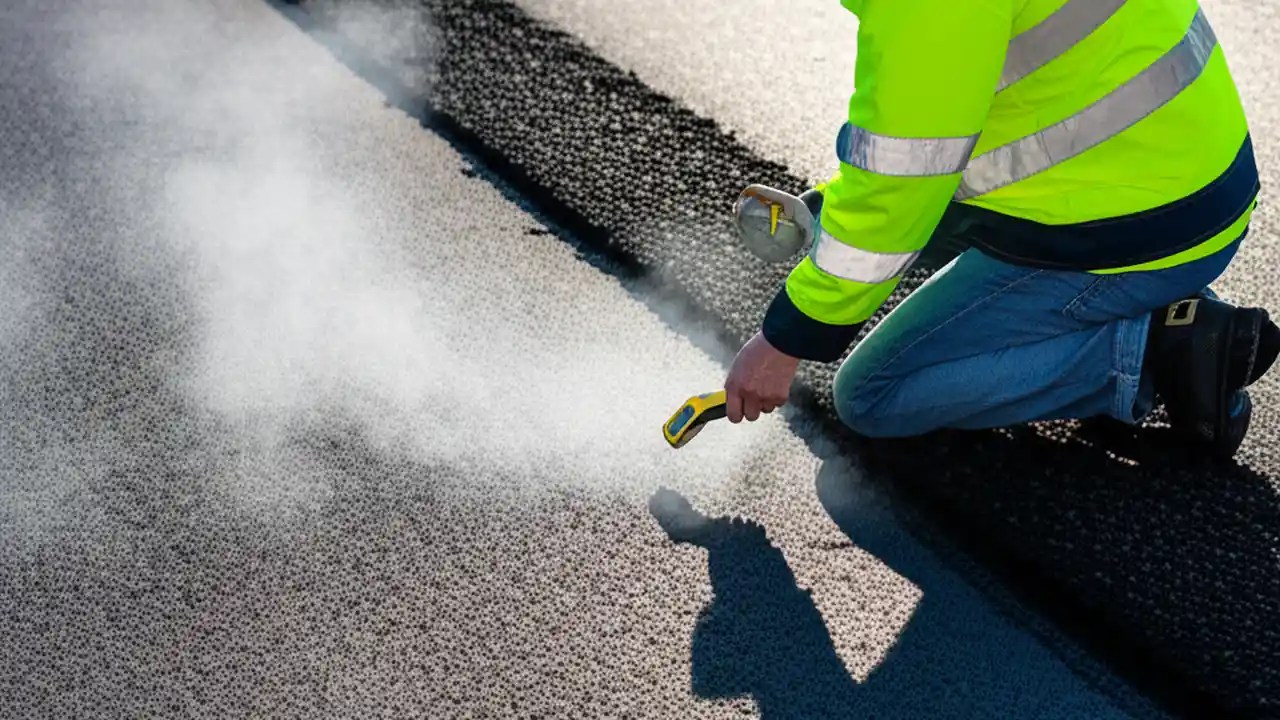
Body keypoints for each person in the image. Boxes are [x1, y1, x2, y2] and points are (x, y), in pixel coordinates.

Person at [723, 0, 1279, 459]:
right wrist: (839, 210)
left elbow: (901, 186)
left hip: (1131, 229)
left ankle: (1161, 349)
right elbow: (968, 126)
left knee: (871, 394)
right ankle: (1161, 310)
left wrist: (786, 340)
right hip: (1198, 179)